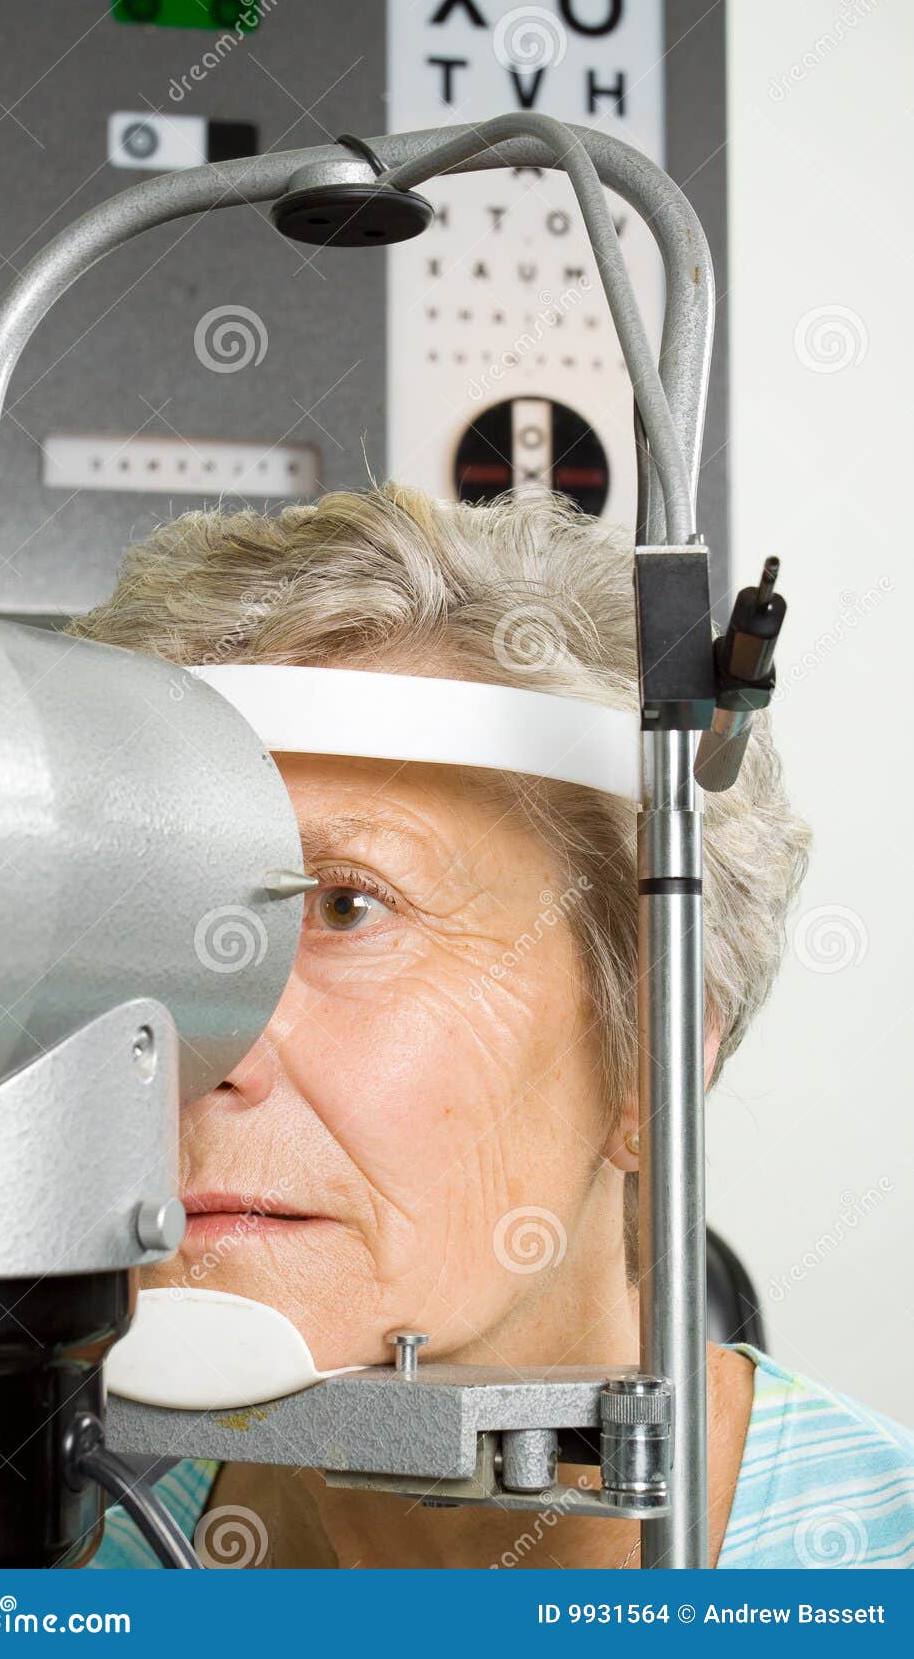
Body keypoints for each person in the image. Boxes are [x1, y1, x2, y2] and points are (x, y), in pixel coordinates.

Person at [68, 482, 914, 1569]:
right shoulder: (71, 1579)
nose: (200, 1051)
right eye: (148, 921)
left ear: (648, 1057)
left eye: (344, 907)